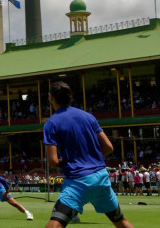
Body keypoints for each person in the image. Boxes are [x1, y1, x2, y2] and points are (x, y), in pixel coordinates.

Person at [42, 81, 134, 228]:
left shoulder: (51, 123)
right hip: (101, 179)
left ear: (51, 98)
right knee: (121, 221)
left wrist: (72, 160)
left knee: (54, 225)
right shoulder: (88, 116)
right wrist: (91, 157)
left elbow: (52, 161)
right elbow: (109, 147)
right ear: (70, 97)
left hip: (79, 181)